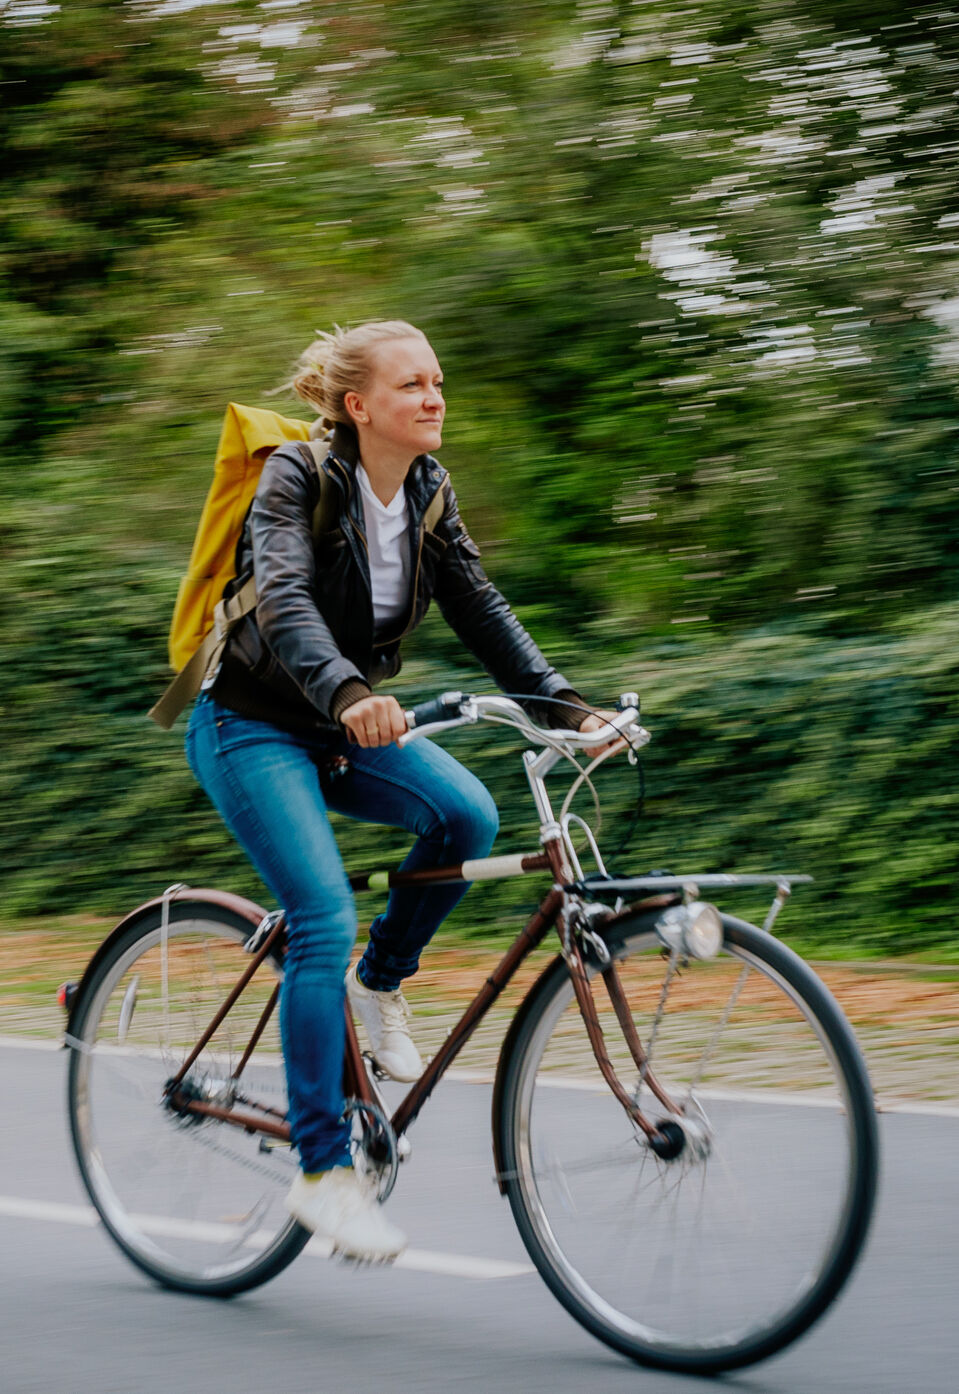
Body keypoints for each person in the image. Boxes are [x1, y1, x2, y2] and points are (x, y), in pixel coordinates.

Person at [182, 320, 617, 1262]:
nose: (433, 396)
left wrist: (568, 708)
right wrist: (348, 693)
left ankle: (378, 984)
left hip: (342, 723)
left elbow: (480, 608)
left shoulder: (426, 491)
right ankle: (322, 1173)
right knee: (320, 917)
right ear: (358, 405)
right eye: (412, 383)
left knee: (465, 816)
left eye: (438, 381)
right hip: (251, 722)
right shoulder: (295, 476)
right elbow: (285, 599)